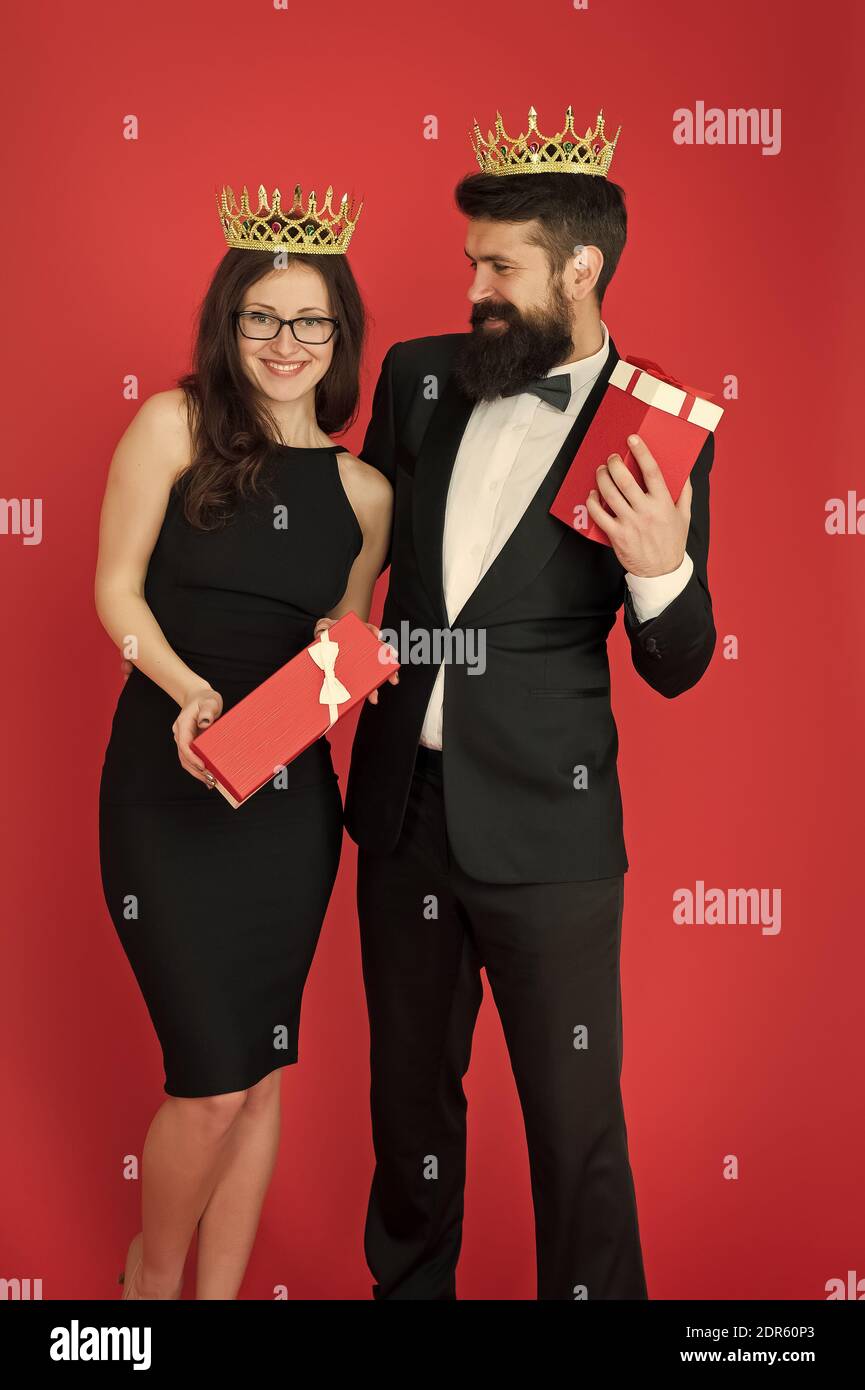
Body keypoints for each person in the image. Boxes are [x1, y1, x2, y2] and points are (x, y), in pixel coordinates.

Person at [340, 107, 716, 1299]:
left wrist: (662, 566)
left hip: (549, 835)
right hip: (403, 814)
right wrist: (249, 719)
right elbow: (366, 594)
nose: (477, 288)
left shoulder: (655, 421)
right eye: (472, 265)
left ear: (580, 267)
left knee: (572, 1125)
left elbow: (677, 662)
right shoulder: (417, 379)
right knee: (408, 1117)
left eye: (499, 267)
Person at [96, 181, 394, 1299]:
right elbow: (115, 590)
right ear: (229, 324)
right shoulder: (170, 425)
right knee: (210, 1081)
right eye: (262, 317)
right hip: (163, 787)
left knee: (262, 1071)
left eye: (310, 319)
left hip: (286, 808)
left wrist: (348, 655)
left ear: (340, 334)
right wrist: (182, 691)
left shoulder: (366, 495)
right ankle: (151, 1286)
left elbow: (341, 647)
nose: (285, 341)